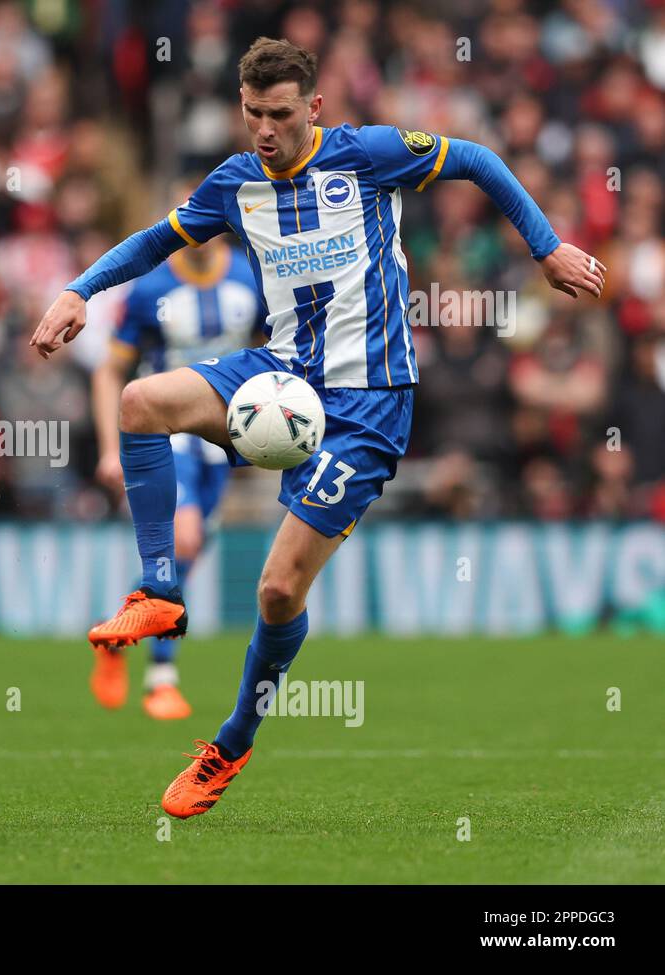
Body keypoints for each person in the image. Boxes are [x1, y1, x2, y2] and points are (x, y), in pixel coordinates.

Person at [30, 37, 604, 819]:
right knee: (138, 403)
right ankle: (161, 590)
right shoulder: (235, 183)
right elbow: (155, 241)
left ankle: (229, 744)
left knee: (275, 590)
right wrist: (79, 290)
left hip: (369, 405)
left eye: (280, 114)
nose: (265, 130)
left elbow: (475, 157)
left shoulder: (367, 156)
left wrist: (547, 247)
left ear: (314, 109)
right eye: (252, 114)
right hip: (278, 375)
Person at [90, 181, 266, 719]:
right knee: (184, 536)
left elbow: (269, 347)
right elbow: (111, 369)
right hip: (170, 431)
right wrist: (107, 447)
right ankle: (161, 678)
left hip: (223, 434)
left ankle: (117, 634)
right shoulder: (148, 290)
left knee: (188, 549)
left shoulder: (252, 276)